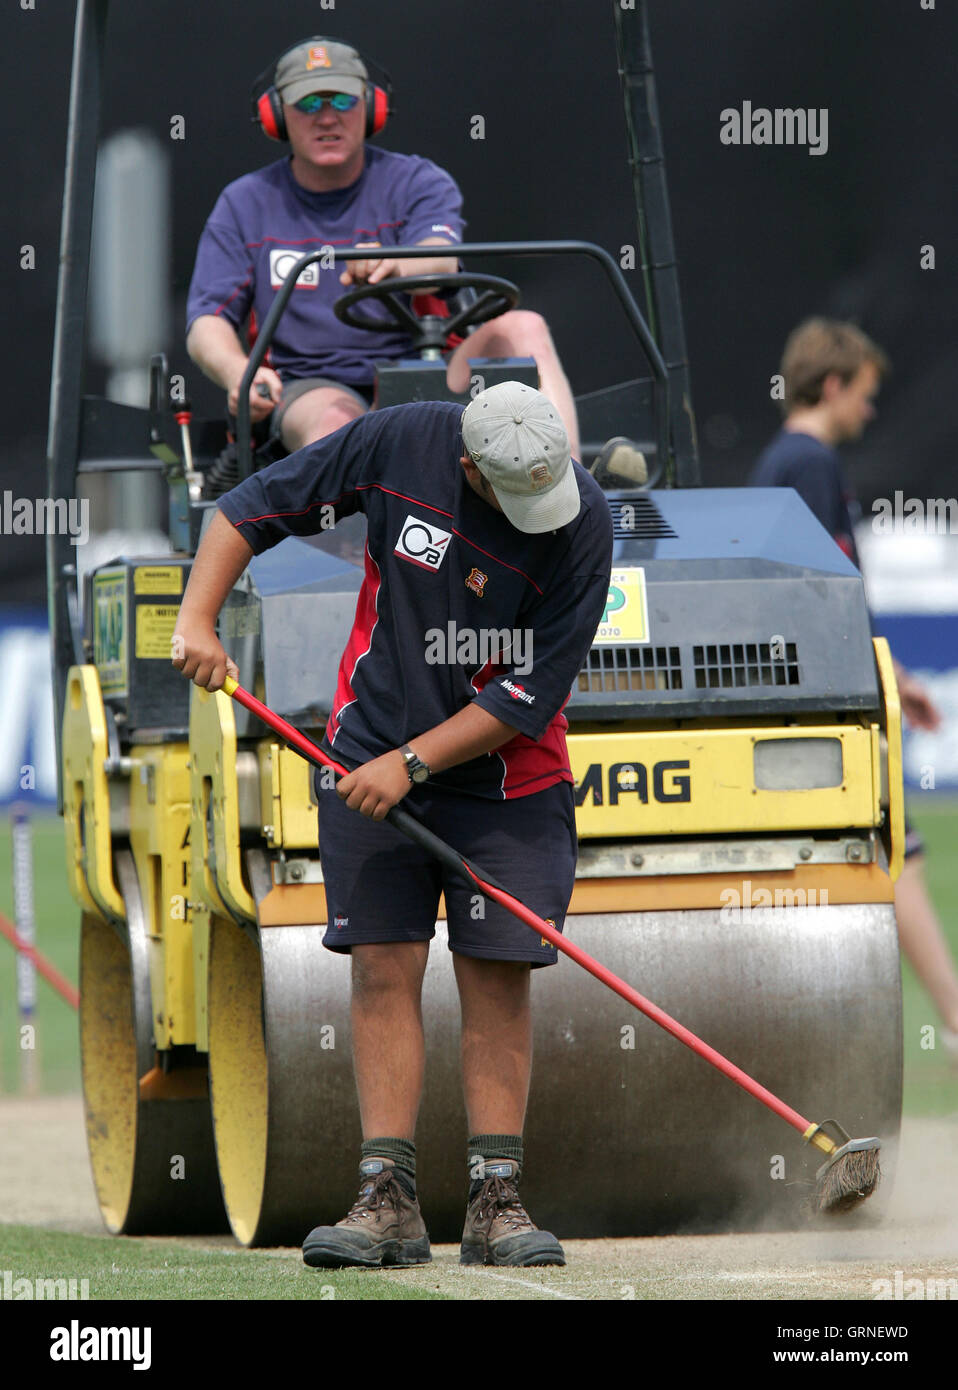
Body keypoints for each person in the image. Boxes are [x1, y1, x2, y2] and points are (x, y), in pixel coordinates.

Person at [172, 381, 614, 1267]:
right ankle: (389, 1199)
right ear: (467, 468)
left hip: (507, 781)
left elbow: (528, 694)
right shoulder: (399, 442)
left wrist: (412, 765)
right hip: (366, 751)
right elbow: (249, 508)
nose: (540, 512)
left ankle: (498, 1200)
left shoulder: (585, 524)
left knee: (496, 976)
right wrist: (197, 617)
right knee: (382, 967)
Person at [185, 36, 582, 456]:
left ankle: (570, 488)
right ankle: (353, 517)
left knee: (526, 326)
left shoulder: (417, 181)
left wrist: (398, 266)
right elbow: (206, 320)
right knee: (334, 424)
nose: (326, 119)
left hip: (429, 370)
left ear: (371, 108)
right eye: (307, 104)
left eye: (342, 102)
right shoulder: (244, 202)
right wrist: (237, 374)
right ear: (277, 116)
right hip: (308, 385)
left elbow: (441, 258)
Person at [750, 317, 958, 1063]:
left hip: (826, 689)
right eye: (864, 395)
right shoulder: (808, 463)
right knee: (895, 855)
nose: (869, 412)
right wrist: (875, 686)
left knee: (890, 857)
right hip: (828, 700)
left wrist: (895, 678)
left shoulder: (784, 462)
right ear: (832, 385)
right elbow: (825, 594)